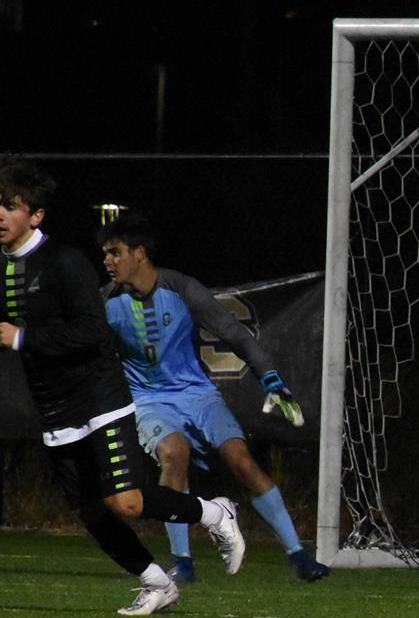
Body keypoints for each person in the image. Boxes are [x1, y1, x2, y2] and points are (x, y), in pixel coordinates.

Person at [0, 159, 246, 617]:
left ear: (36, 216)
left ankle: (215, 513)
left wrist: (26, 338)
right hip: (55, 412)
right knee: (90, 511)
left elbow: (92, 331)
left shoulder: (64, 262)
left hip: (99, 401)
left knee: (126, 503)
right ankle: (157, 584)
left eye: (10, 206)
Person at [96, 211, 331, 585]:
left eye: (114, 252)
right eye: (105, 254)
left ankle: (299, 556)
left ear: (139, 253)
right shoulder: (105, 303)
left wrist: (269, 377)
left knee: (241, 460)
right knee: (174, 453)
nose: (107, 261)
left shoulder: (181, 288)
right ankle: (183, 561)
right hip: (148, 400)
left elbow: (233, 332)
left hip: (197, 393)